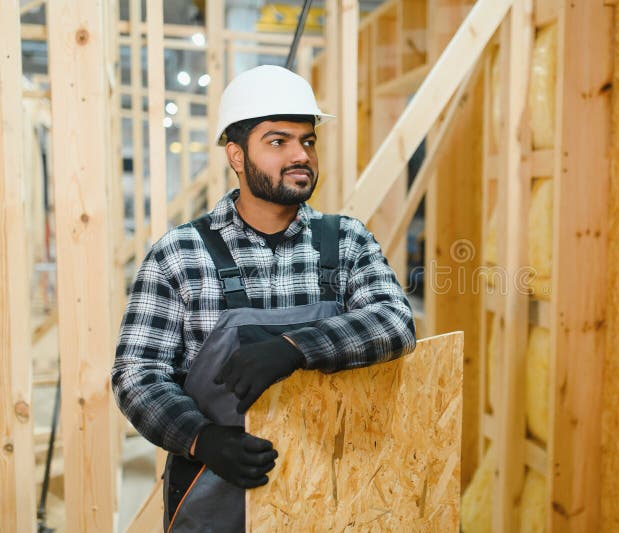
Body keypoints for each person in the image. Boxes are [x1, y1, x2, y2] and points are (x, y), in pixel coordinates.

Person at [111, 65, 417, 532]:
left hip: (333, 498)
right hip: (217, 497)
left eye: (307, 141)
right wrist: (201, 439)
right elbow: (137, 374)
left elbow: (395, 323)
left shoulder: (346, 241)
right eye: (278, 142)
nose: (300, 155)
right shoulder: (180, 254)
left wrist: (297, 348)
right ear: (236, 155)